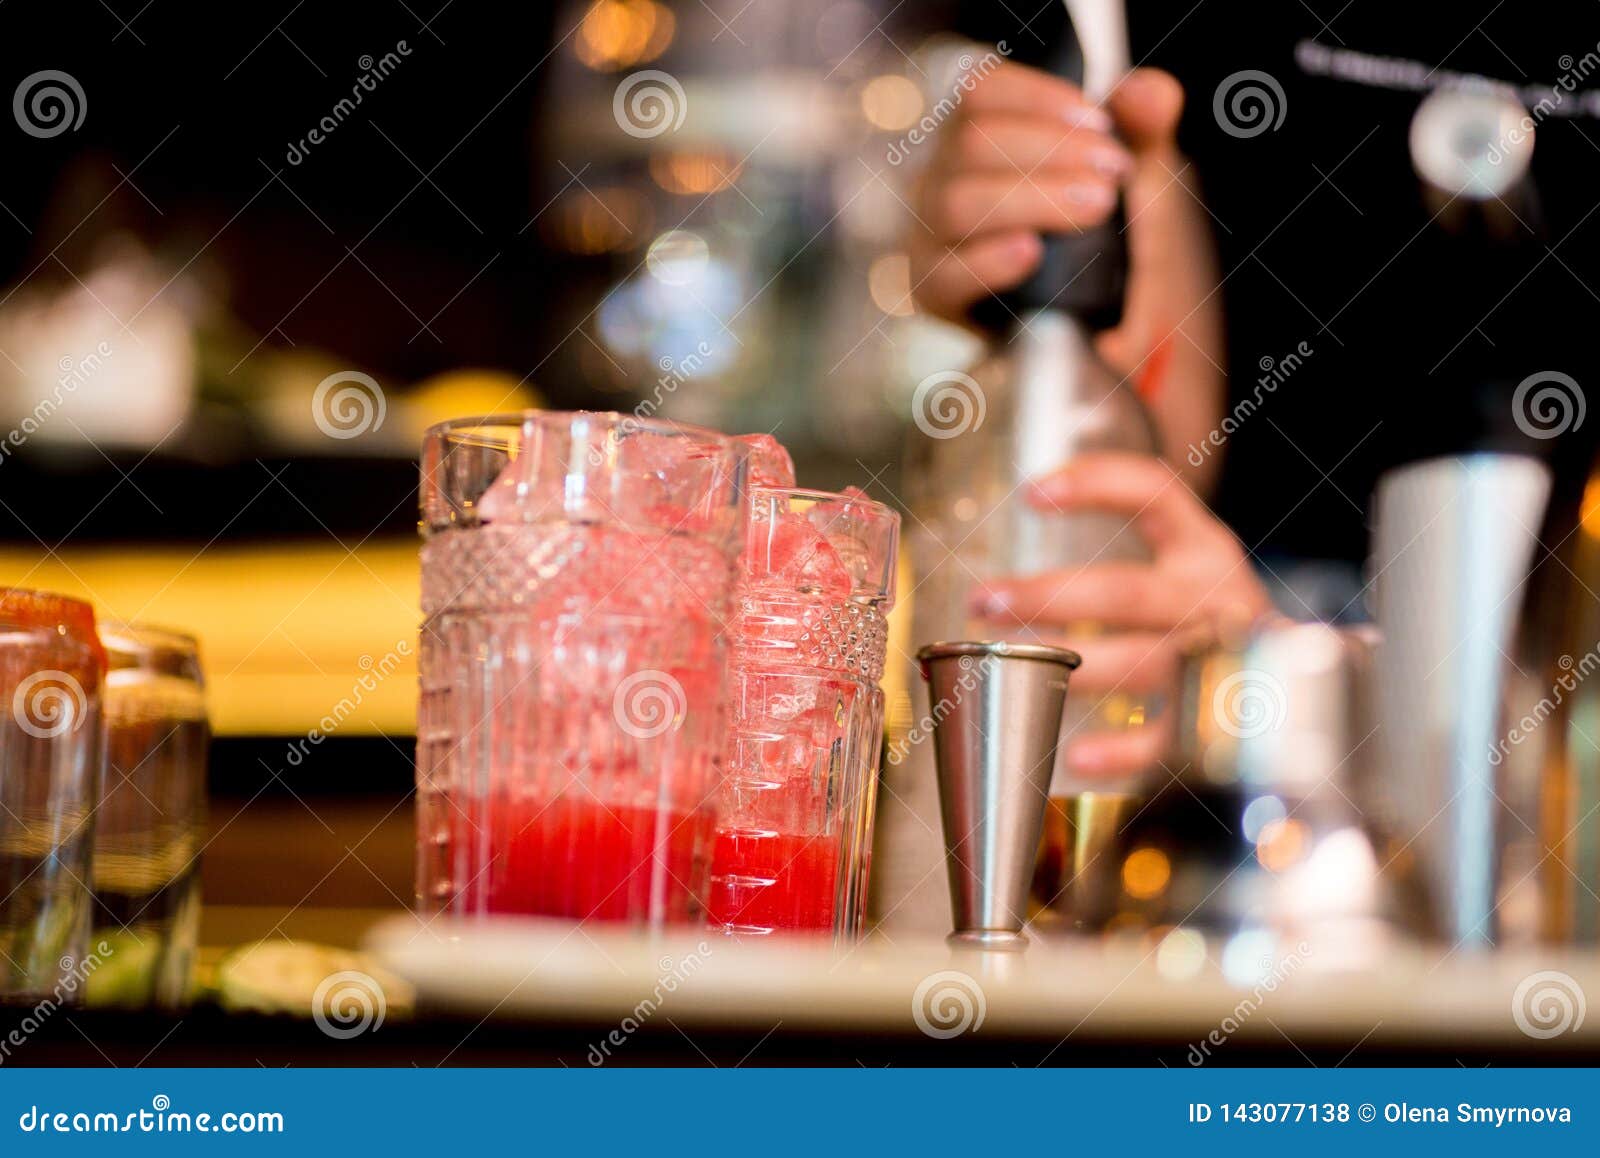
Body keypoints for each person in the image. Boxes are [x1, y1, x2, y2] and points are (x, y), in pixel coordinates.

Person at [902, 5, 1600, 783]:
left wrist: (1304, 702)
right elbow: (1157, 381)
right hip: (1221, 617)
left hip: (1556, 699)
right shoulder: (1133, 32)